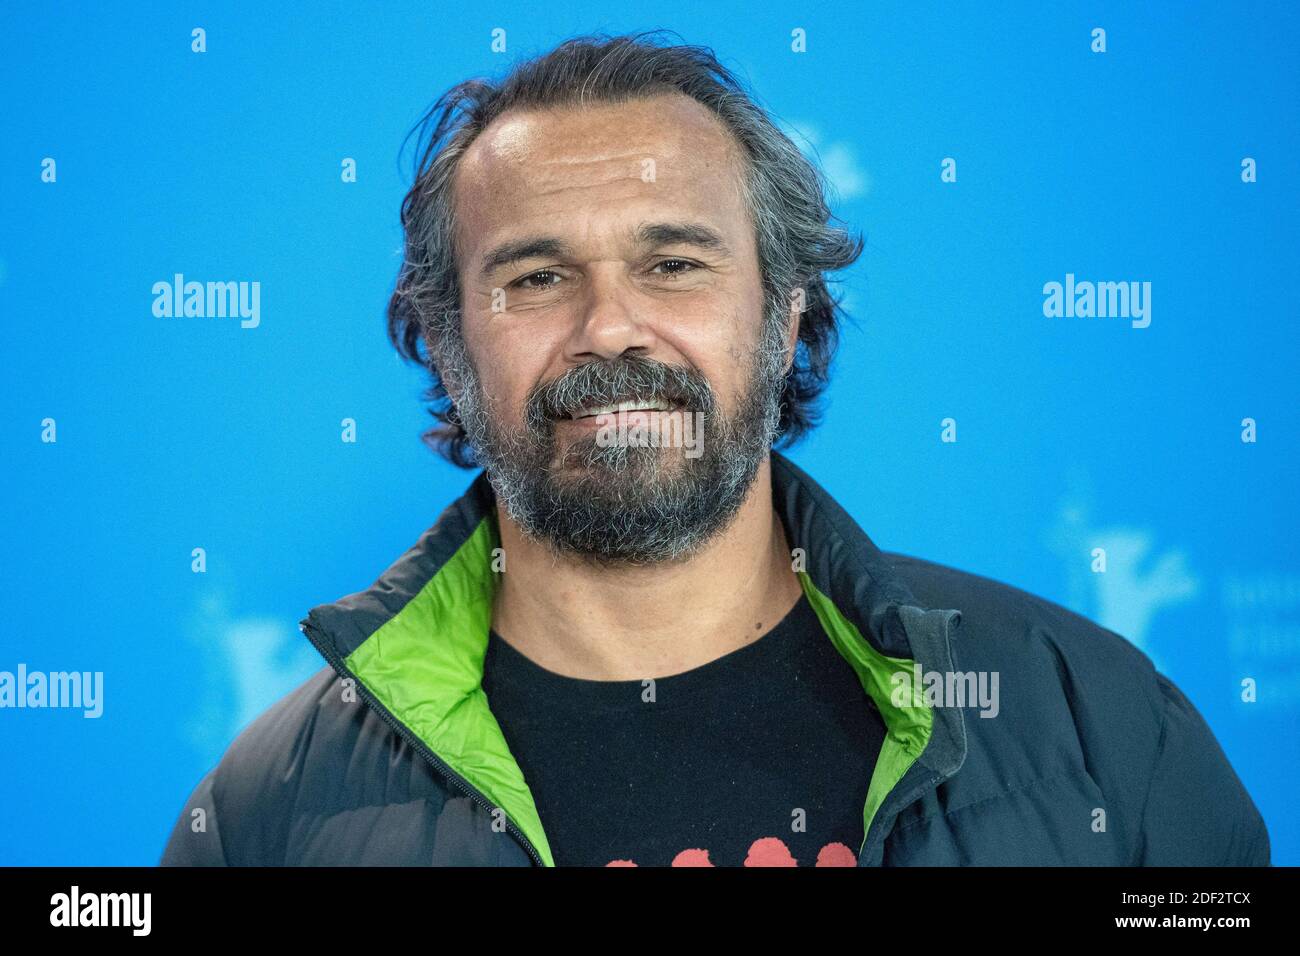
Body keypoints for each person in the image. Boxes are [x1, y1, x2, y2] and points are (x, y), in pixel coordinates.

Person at [161, 31, 1269, 867]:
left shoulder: (1096, 728)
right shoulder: (268, 812)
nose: (609, 327)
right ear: (446, 346)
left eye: (675, 264)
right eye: (537, 277)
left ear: (786, 318)